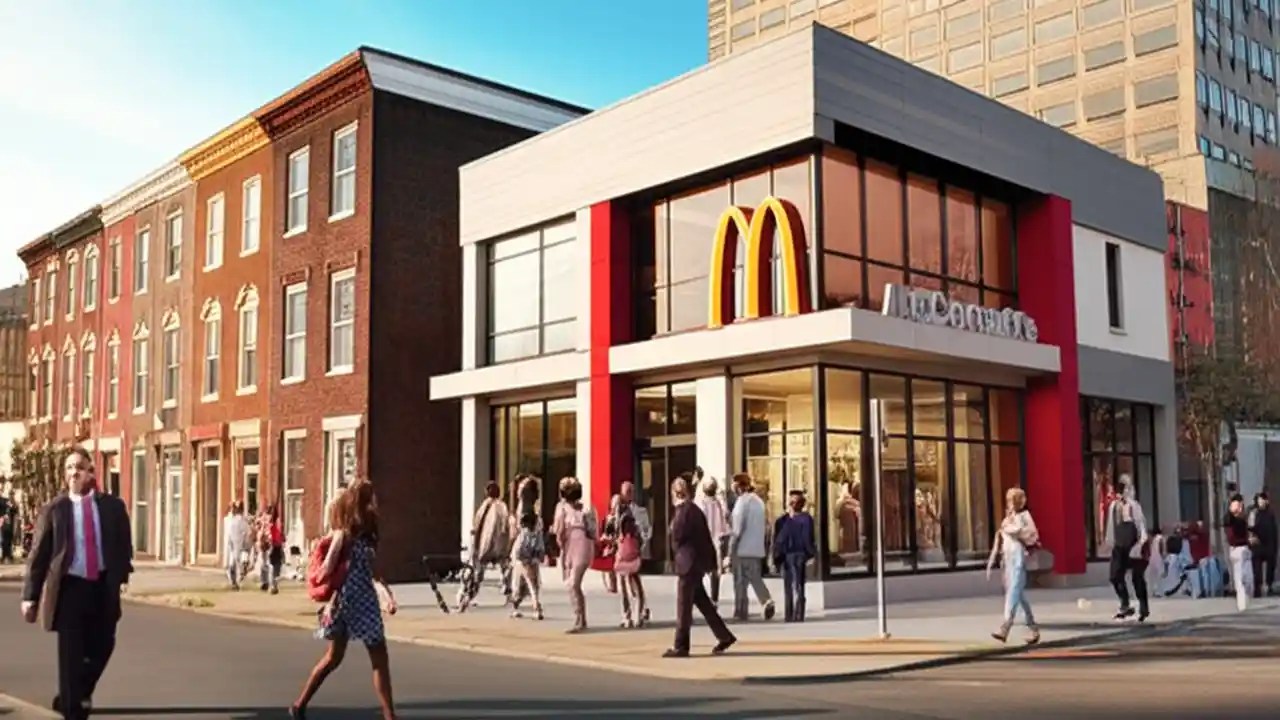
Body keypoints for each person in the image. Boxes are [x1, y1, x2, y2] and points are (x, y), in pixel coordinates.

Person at [22, 447, 133, 720]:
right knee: (70, 656)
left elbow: (123, 546)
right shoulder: (55, 509)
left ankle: (74, 692)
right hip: (69, 589)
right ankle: (73, 708)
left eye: (80, 468)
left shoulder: (112, 508)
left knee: (103, 646)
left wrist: (121, 577)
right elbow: (39, 555)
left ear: (91, 473)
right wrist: (30, 596)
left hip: (101, 588)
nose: (74, 473)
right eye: (70, 468)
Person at [292, 480, 398, 720]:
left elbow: (374, 574)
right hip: (351, 602)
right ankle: (300, 704)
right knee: (353, 657)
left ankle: (300, 704)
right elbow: (328, 567)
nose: (373, 503)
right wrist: (318, 577)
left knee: (348, 658)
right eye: (369, 498)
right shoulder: (344, 534)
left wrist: (387, 597)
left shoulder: (367, 535)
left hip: (358, 601)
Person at [664, 477, 736, 658]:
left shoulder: (684, 511)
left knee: (683, 606)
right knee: (703, 603)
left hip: (688, 564)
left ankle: (681, 645)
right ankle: (724, 636)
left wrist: (672, 529)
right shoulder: (694, 509)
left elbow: (677, 536)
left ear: (675, 493)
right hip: (695, 563)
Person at [987, 488, 1040, 645]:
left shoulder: (1024, 517)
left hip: (1019, 558)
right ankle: (1033, 628)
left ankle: (1006, 626)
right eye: (1010, 500)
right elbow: (1003, 538)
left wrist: (1013, 531)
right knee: (1019, 595)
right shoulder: (1008, 518)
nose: (1011, 503)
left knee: (1013, 591)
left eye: (1014, 500)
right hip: (1009, 558)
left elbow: (1031, 535)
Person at [727, 473, 776, 621]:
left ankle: (740, 611)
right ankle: (766, 600)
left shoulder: (742, 503)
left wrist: (730, 551)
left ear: (738, 487)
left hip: (742, 549)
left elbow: (737, 530)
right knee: (755, 579)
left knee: (740, 582)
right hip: (756, 548)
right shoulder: (759, 502)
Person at [551, 477, 597, 633]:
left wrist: (560, 546)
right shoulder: (586, 508)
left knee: (573, 583)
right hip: (582, 545)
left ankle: (580, 619)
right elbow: (593, 531)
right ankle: (581, 618)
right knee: (574, 584)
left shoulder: (562, 508)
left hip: (573, 546)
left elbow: (559, 530)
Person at [1102, 476, 1150, 622]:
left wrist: (1141, 543)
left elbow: (1140, 524)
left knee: (1137, 578)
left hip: (1133, 545)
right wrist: (1109, 542)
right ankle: (1125, 603)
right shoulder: (1114, 506)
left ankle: (1143, 607)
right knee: (1115, 576)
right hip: (1119, 546)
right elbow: (1111, 525)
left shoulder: (1133, 506)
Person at [459, 481, 510, 611]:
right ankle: (467, 596)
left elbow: (479, 524)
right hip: (492, 544)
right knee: (495, 571)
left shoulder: (495, 506)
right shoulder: (495, 506)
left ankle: (467, 596)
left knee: (482, 571)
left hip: (488, 544)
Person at [771, 490, 816, 622]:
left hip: (795, 555)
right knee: (796, 585)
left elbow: (778, 541)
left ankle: (793, 613)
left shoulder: (788, 520)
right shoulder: (784, 520)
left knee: (793, 585)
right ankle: (794, 613)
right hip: (791, 555)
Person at [694, 478, 730, 604]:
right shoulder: (719, 505)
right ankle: (714, 598)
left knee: (700, 570)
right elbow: (725, 523)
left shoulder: (701, 504)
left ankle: (700, 597)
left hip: (704, 541)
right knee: (714, 572)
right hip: (716, 542)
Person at [509, 511, 545, 620]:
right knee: (524, 586)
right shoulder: (524, 535)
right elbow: (517, 552)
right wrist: (527, 561)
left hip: (531, 561)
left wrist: (536, 559)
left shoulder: (537, 534)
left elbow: (541, 550)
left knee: (532, 585)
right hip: (521, 562)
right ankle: (533, 608)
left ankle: (534, 607)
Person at [1225, 495, 1254, 612]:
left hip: (1246, 549)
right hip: (1236, 549)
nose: (1240, 508)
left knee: (1248, 578)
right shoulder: (1230, 520)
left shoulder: (1243, 519)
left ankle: (1246, 600)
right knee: (1240, 578)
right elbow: (1228, 523)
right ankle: (1242, 605)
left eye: (1241, 505)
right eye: (1237, 505)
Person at [1247, 492, 1277, 597]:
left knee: (1270, 566)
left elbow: (1274, 531)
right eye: (1260, 500)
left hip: (1269, 544)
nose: (1262, 502)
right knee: (1257, 567)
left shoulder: (1270, 514)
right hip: (1257, 544)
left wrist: (1275, 546)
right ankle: (1257, 588)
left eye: (1263, 500)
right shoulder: (1254, 513)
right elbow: (1250, 528)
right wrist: (1251, 538)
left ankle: (1269, 585)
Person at [223, 501, 251, 590]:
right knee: (236, 563)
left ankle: (235, 581)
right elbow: (247, 533)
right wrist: (246, 544)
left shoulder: (235, 521)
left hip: (234, 545)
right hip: (236, 545)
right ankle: (235, 581)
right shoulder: (238, 521)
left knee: (234, 563)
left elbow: (229, 534)